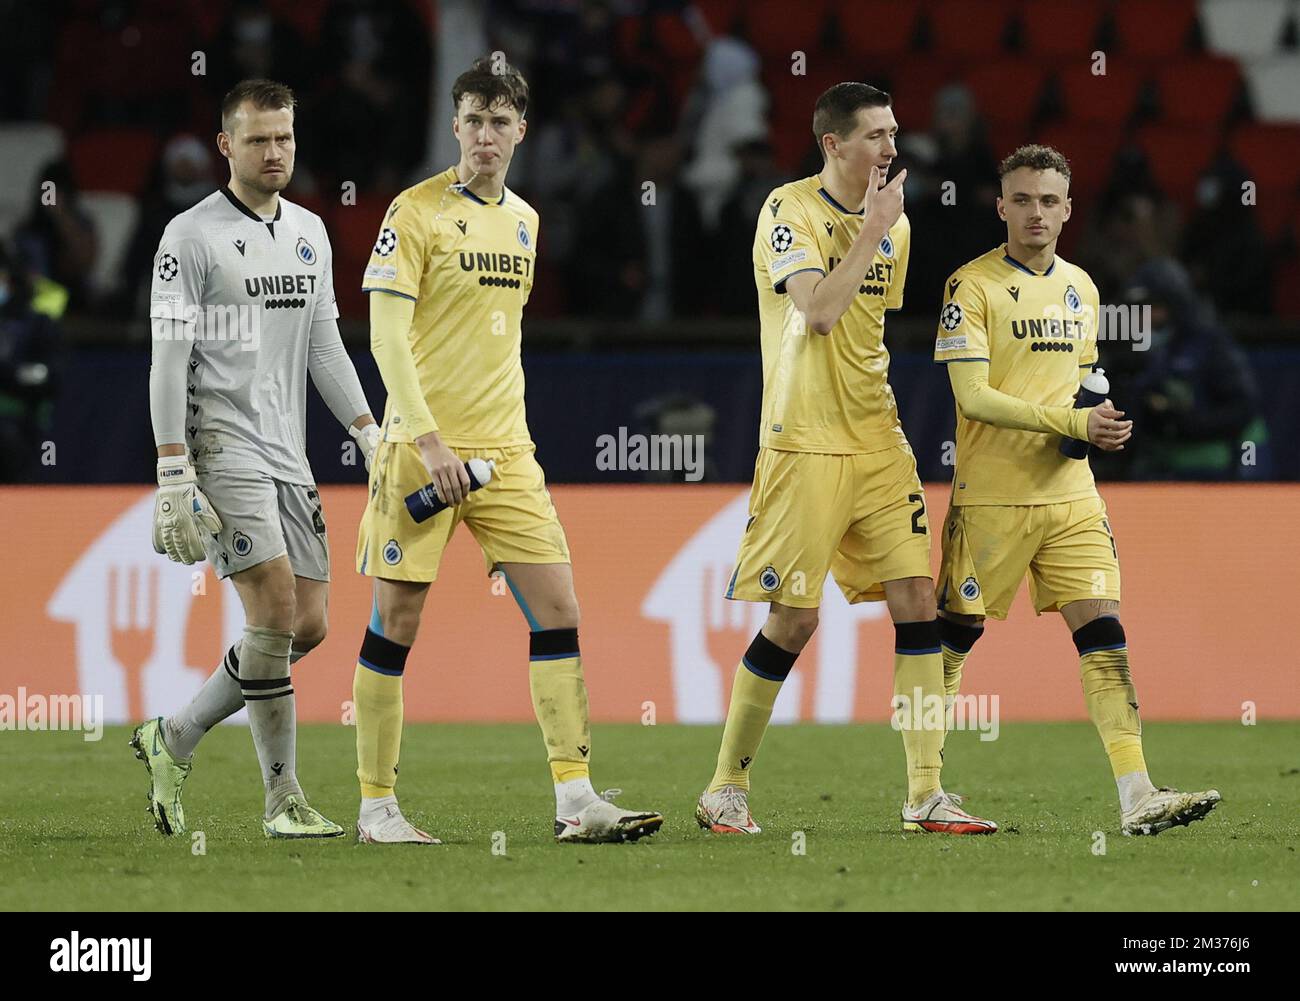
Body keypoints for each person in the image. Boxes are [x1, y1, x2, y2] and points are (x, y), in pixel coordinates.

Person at [351, 56, 662, 845]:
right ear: (454, 126)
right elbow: (387, 335)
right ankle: (377, 806)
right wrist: (426, 438)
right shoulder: (413, 212)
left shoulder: (525, 220)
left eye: (500, 121)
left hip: (507, 455)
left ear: (521, 131)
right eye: (473, 120)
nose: (485, 134)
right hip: (423, 448)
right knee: (398, 616)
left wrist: (495, 443)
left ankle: (575, 798)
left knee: (559, 609)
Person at [695, 82, 997, 837]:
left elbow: (868, 326)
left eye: (894, 133)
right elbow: (821, 313)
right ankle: (724, 786)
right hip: (802, 439)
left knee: (917, 604)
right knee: (793, 620)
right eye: (875, 135)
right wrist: (869, 229)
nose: (891, 148)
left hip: (878, 438)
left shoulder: (895, 222)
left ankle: (926, 792)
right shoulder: (786, 210)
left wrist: (878, 228)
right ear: (832, 144)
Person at [932, 144, 1220, 836]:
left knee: (1104, 632)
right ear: (1001, 207)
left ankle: (1136, 793)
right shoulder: (969, 288)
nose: (1036, 212)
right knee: (951, 642)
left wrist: (1096, 426)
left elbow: (1080, 383)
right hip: (993, 497)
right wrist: (1072, 418)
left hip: (1070, 497)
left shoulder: (1083, 289)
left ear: (1068, 208)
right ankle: (924, 789)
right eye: (1023, 199)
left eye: (1049, 200)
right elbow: (973, 398)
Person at [133, 79, 381, 839]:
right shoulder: (189, 237)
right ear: (225, 146)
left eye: (284, 137)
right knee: (271, 609)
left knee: (307, 626)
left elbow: (324, 345)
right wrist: (173, 466)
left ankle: (173, 735)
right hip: (220, 445)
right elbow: (168, 358)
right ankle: (283, 801)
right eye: (258, 139)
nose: (274, 152)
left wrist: (369, 430)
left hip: (289, 451)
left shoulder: (309, 230)